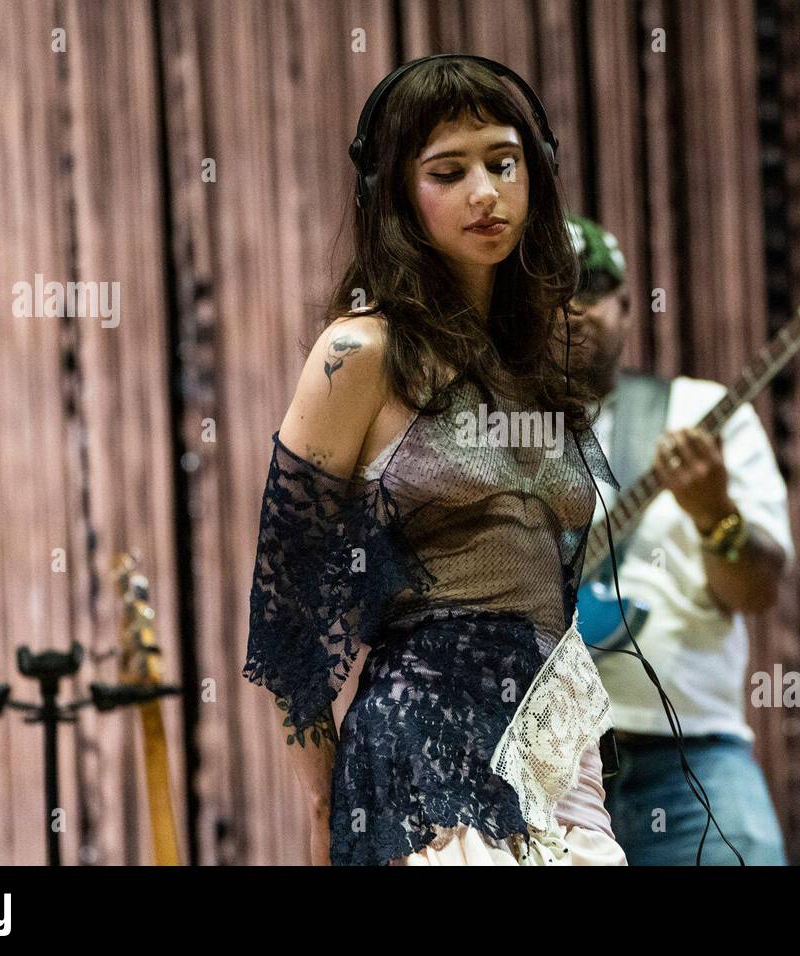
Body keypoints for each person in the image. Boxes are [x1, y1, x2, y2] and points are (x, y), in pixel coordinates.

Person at [243, 56, 627, 866]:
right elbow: (290, 609)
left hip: (563, 749)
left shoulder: (539, 363)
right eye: (449, 172)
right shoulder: (359, 351)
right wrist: (322, 809)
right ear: (396, 197)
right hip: (426, 747)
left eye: (504, 163)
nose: (486, 192)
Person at [564, 213, 792, 865]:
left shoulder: (699, 411)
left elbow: (756, 591)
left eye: (590, 290)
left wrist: (714, 512)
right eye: (550, 294)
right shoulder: (496, 438)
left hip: (694, 756)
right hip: (544, 778)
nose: (570, 310)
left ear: (628, 307)